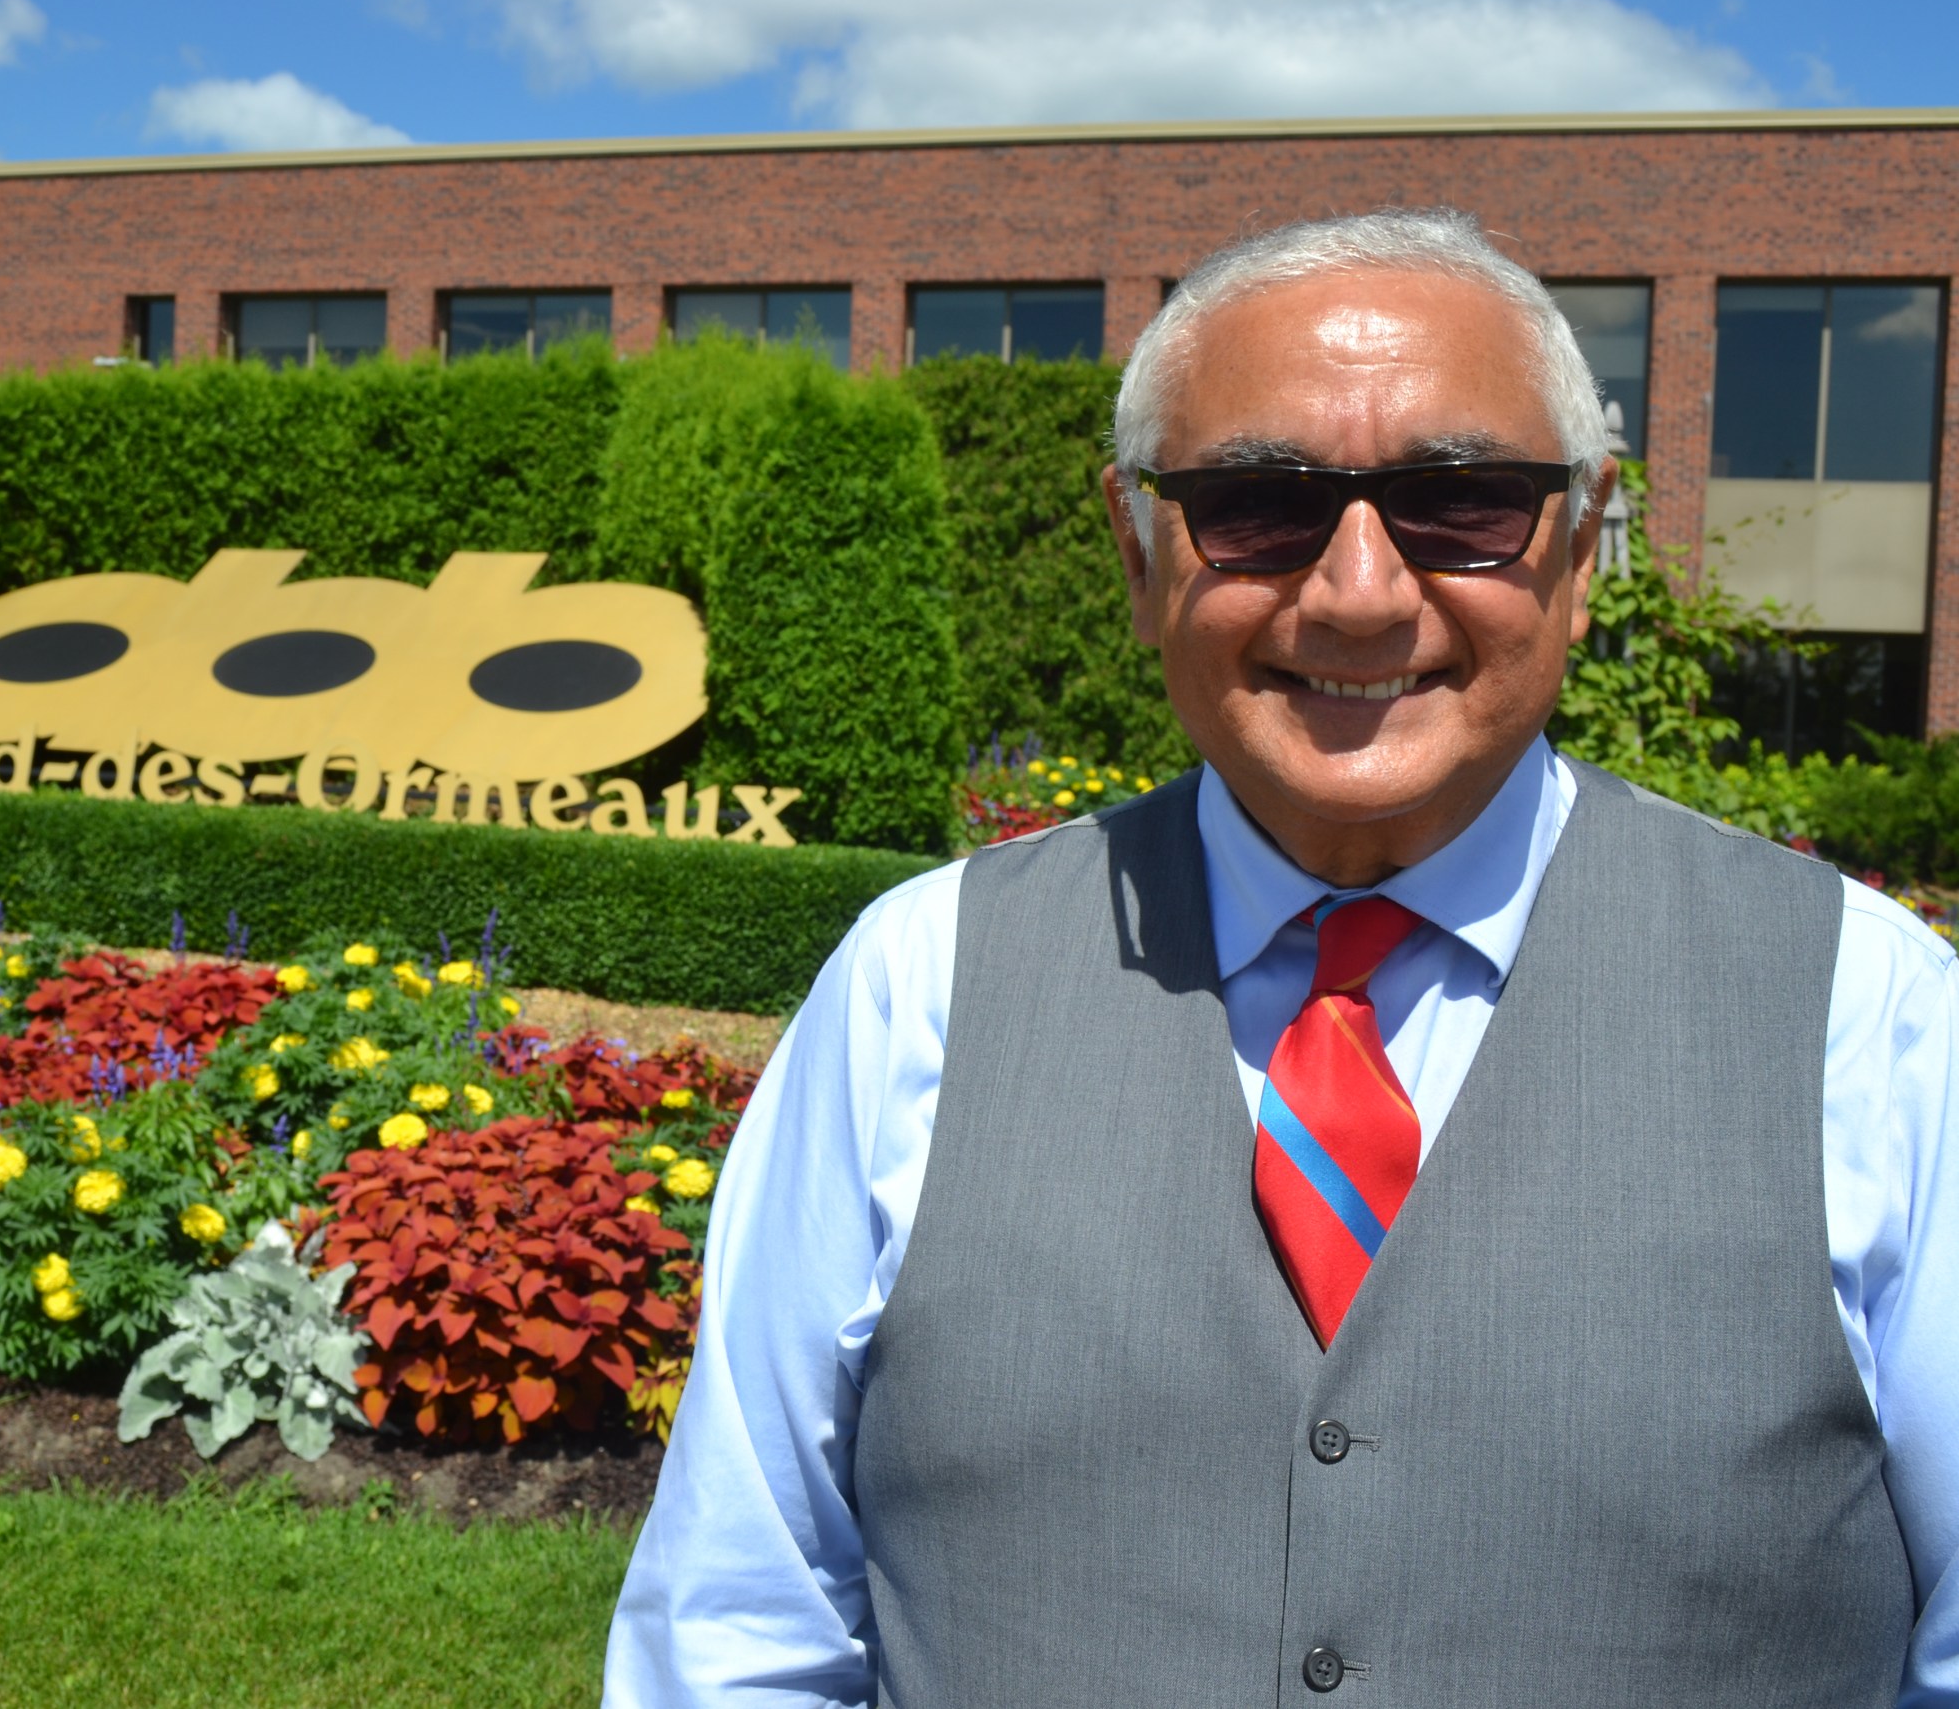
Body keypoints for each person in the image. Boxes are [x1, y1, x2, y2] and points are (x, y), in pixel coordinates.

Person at [603, 209, 1956, 1707]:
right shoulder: (912, 987)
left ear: (1579, 548)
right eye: (1258, 504)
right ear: (1138, 553)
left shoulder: (1874, 1017)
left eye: (1460, 500)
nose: (1360, 591)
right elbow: (739, 1634)